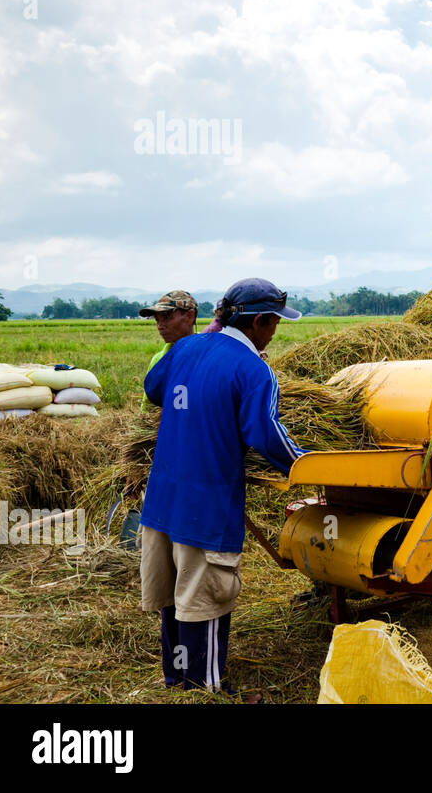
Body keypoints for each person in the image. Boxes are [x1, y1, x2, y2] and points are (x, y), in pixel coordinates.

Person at [139, 278, 305, 694]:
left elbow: (153, 388)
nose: (275, 331)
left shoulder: (184, 348)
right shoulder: (253, 369)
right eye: (274, 323)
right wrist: (306, 465)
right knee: (204, 595)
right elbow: (265, 433)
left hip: (162, 498)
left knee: (175, 591)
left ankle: (177, 677)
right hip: (207, 502)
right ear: (260, 322)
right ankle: (205, 688)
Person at [138, 290, 199, 411]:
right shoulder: (159, 360)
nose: (160, 326)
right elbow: (147, 409)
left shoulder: (209, 355)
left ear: (189, 316)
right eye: (157, 320)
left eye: (166, 318)